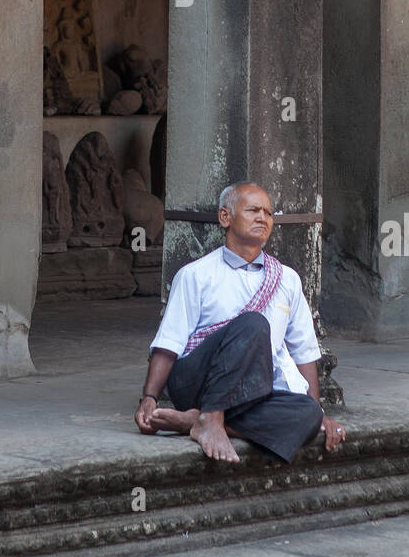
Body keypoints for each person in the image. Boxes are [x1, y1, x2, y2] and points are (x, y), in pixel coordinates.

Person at [135, 182, 346, 464]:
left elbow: (304, 352)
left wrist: (319, 413)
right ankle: (209, 414)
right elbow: (168, 344)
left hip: (253, 391)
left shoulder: (287, 279)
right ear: (225, 217)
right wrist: (149, 397)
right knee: (254, 325)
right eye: (253, 210)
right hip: (198, 383)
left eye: (268, 213)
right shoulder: (196, 274)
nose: (263, 218)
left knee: (307, 414)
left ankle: (198, 422)